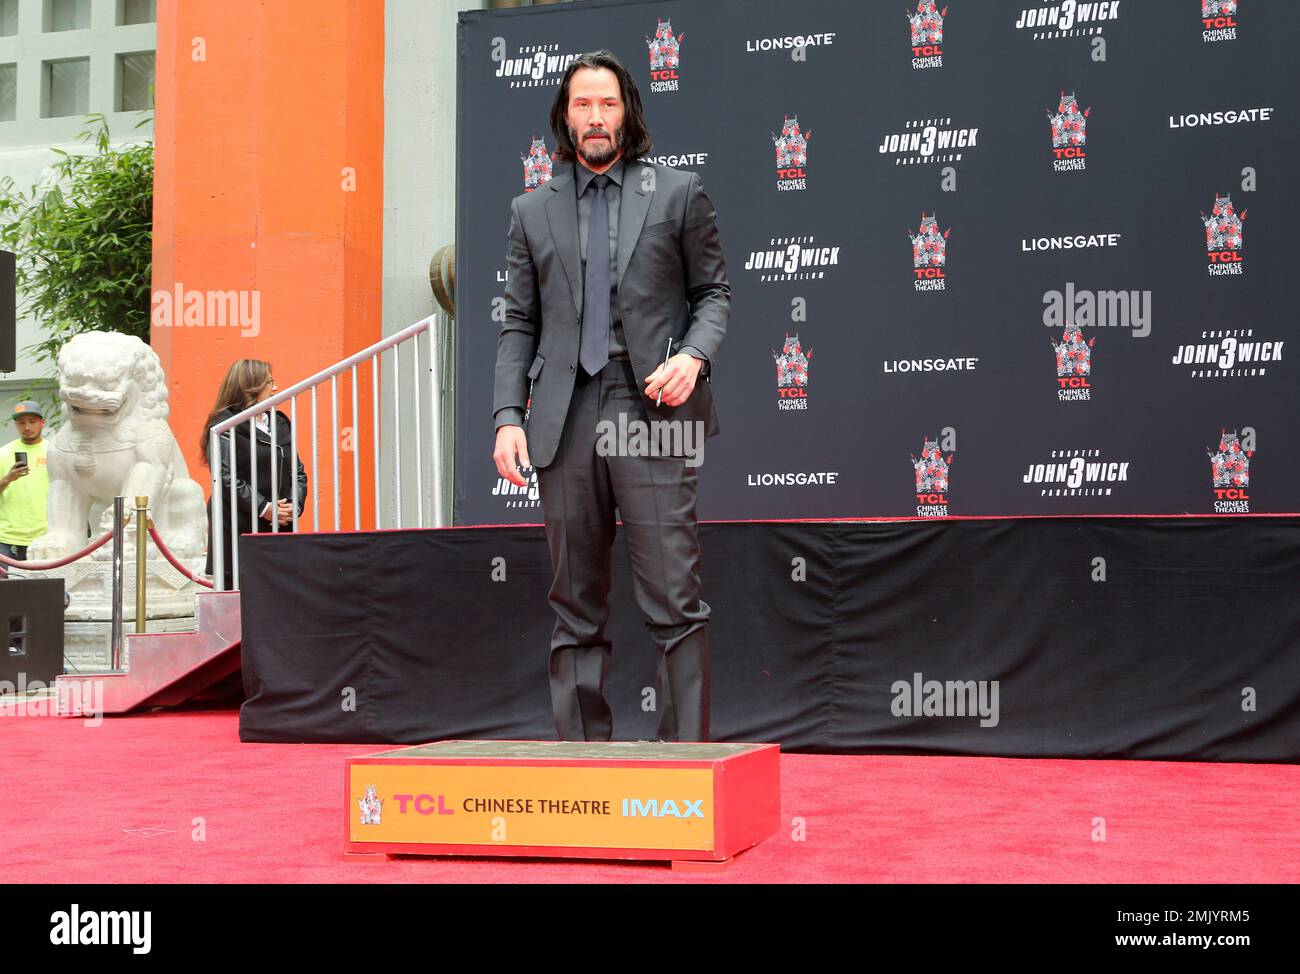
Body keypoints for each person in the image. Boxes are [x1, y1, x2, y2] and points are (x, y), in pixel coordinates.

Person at [492, 50, 730, 742]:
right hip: (563, 417)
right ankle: (582, 771)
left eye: (608, 104)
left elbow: (713, 293)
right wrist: (509, 417)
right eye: (582, 105)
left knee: (674, 599)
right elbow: (518, 322)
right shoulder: (530, 210)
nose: (595, 117)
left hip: (650, 409)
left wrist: (692, 355)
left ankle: (684, 770)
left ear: (628, 112)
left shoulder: (679, 193)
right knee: (574, 604)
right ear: (563, 118)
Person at [200, 360, 307, 589]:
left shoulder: (280, 422)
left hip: (280, 523)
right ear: (250, 386)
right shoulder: (225, 425)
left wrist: (292, 506)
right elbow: (225, 477)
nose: (276, 388)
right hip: (237, 524)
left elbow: (297, 471)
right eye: (269, 382)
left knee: (279, 593)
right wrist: (265, 508)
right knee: (240, 595)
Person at [0, 400, 50, 563]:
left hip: (45, 537)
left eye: (32, 421)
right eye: (21, 423)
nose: (27, 427)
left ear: (43, 422)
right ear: (15, 425)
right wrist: (8, 479)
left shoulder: (54, 452)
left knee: (45, 587)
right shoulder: (3, 453)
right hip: (6, 538)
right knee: (5, 588)